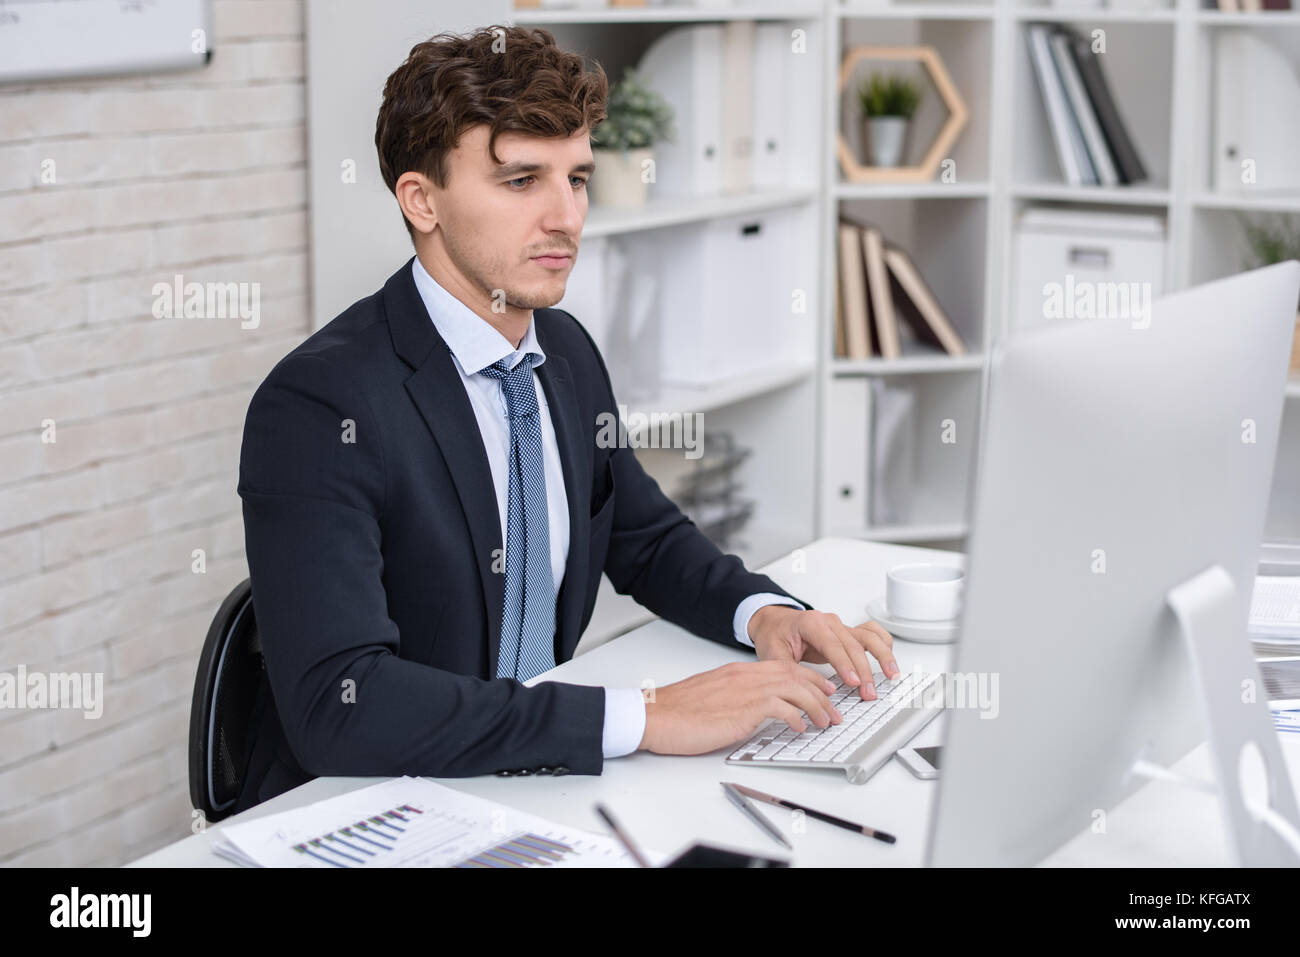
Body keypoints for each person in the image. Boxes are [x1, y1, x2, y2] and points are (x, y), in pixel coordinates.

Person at [233, 24, 899, 812]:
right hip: (376, 804)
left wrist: (766, 614)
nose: (567, 217)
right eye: (521, 181)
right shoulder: (320, 405)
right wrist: (646, 716)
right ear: (422, 200)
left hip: (538, 786)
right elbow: (344, 703)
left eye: (577, 178)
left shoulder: (564, 350)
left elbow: (643, 537)